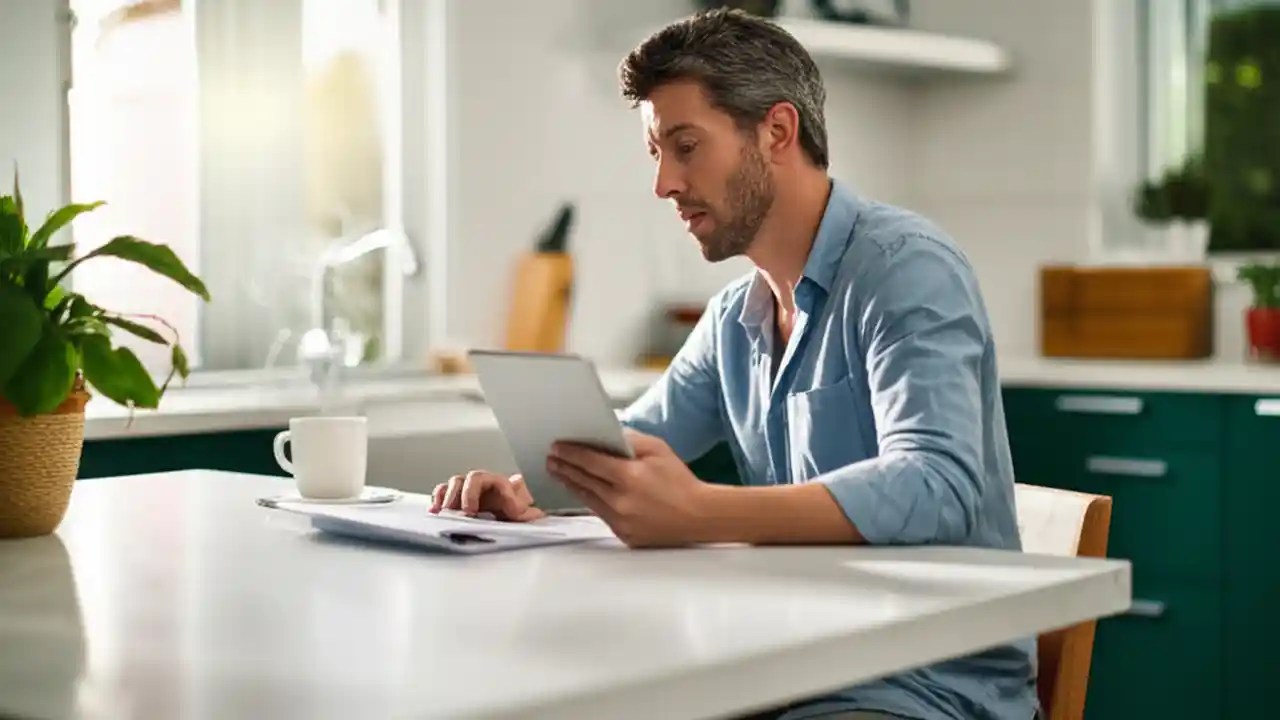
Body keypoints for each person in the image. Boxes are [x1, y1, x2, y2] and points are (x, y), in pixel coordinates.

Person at [430, 9, 1035, 720]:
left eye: (686, 146)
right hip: (785, 664)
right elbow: (629, 441)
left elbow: (939, 482)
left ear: (776, 132)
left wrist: (702, 513)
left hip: (920, 686)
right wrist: (528, 490)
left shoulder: (905, 271)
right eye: (656, 152)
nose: (663, 183)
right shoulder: (732, 322)